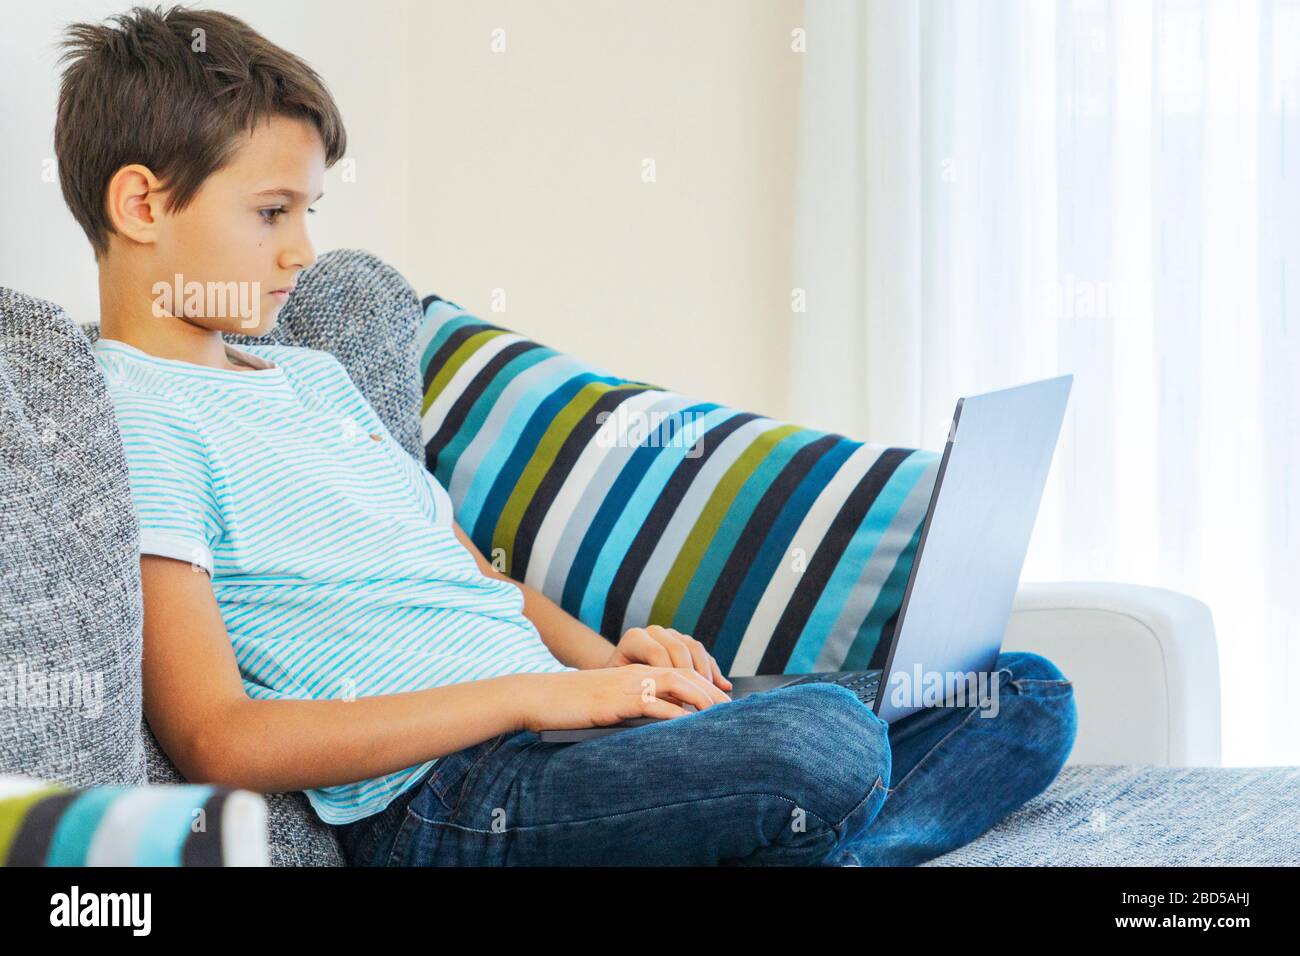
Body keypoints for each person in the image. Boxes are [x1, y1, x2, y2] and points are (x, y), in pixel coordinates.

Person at [59, 4, 1076, 866]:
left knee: (1022, 693)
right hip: (450, 789)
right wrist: (539, 697)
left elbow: (481, 583)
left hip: (558, 728)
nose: (303, 254)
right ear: (143, 202)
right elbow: (220, 738)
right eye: (272, 212)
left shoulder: (313, 377)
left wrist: (612, 669)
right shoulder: (131, 419)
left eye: (309, 212)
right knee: (824, 747)